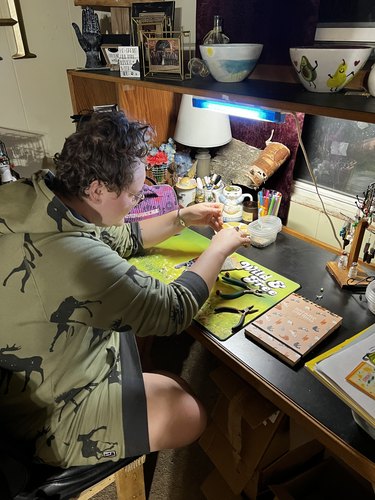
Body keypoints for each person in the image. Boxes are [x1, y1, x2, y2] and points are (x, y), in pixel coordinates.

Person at [0, 110, 251, 468]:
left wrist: (182, 216)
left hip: (18, 384)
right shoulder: (75, 258)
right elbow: (172, 309)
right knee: (190, 412)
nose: (139, 200)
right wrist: (218, 248)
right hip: (43, 416)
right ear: (98, 189)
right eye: (134, 195)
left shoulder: (36, 196)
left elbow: (119, 236)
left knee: (159, 373)